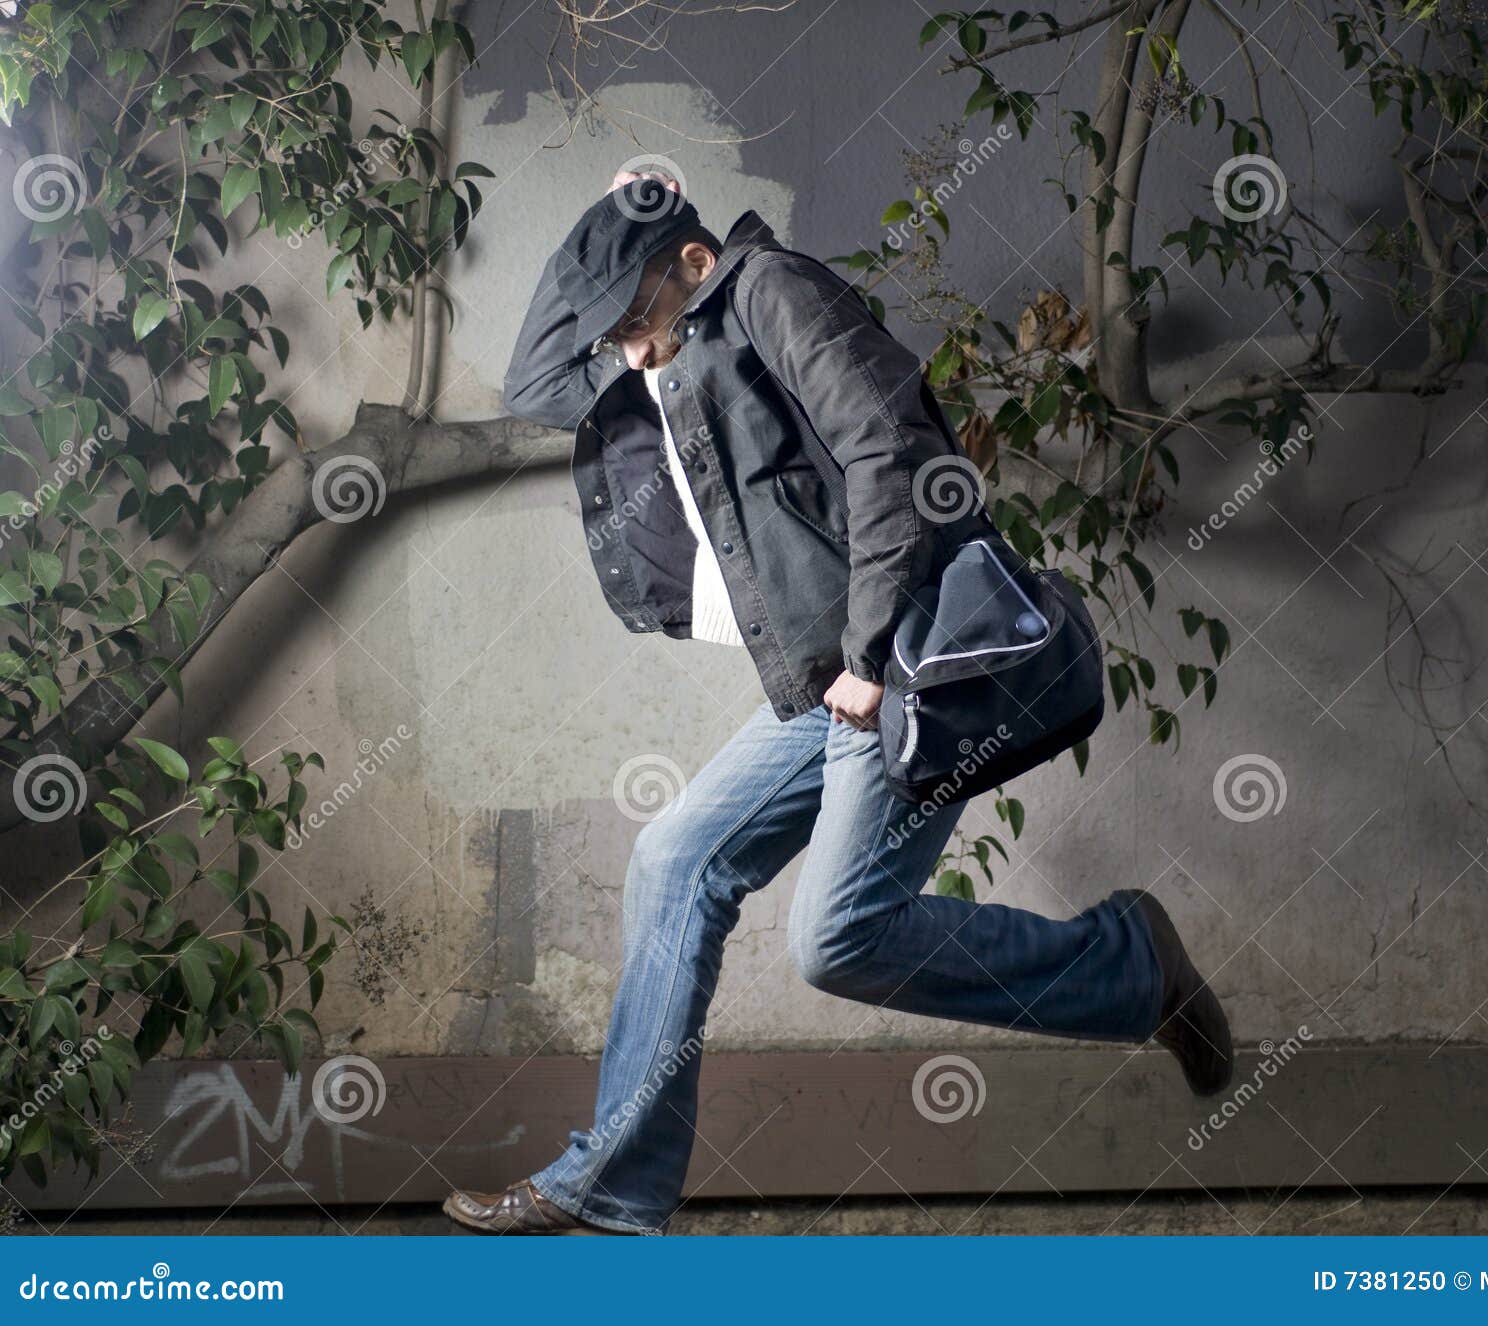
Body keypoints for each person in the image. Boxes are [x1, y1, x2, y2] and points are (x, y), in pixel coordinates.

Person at [443, 169, 1233, 1235]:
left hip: (899, 664)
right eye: (617, 332)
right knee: (675, 860)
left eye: (638, 319)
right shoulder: (668, 350)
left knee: (838, 939)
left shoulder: (773, 290)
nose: (628, 349)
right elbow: (539, 382)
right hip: (825, 685)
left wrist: (865, 655)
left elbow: (889, 449)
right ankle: (618, 1191)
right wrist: (620, 210)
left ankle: (1131, 969)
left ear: (694, 262)